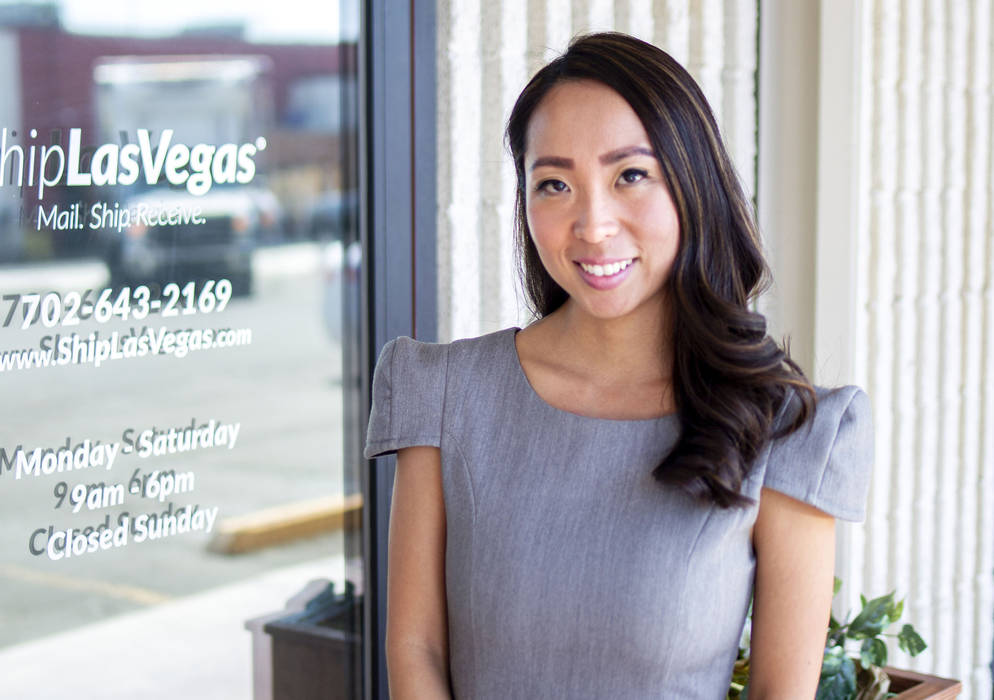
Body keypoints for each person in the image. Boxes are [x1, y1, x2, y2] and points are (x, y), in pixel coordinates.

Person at [365, 32, 873, 699]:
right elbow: (416, 649)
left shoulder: (787, 429)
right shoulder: (444, 396)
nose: (593, 224)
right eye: (554, 184)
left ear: (692, 183)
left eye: (629, 175)